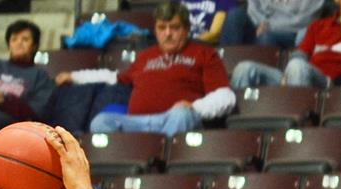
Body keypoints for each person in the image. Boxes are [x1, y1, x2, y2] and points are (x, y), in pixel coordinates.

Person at [67, 4, 235, 138]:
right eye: (162, 28)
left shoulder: (204, 53)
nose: (167, 34)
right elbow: (113, 77)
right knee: (101, 122)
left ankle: (162, 163)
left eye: (174, 28)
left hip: (175, 119)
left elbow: (225, 96)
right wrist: (73, 76)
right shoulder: (145, 56)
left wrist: (194, 107)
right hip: (137, 123)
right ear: (155, 30)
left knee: (181, 116)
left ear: (186, 29)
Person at [230, 0, 341, 90]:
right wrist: (287, 75)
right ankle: (238, 130)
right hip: (300, 75)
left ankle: (292, 126)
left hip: (330, 84)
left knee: (297, 67)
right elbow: (300, 54)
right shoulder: (318, 26)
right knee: (244, 69)